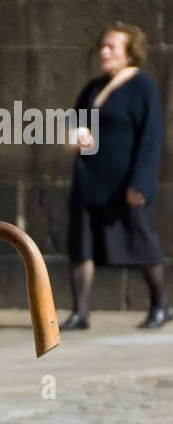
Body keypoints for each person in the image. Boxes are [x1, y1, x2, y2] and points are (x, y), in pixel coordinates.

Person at [63, 20, 170, 330]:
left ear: (129, 53)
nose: (104, 51)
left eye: (112, 47)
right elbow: (72, 126)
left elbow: (151, 139)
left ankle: (161, 304)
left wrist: (141, 183)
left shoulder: (142, 88)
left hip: (125, 183)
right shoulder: (92, 88)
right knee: (81, 246)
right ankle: (81, 312)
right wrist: (76, 136)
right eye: (102, 46)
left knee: (141, 242)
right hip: (89, 180)